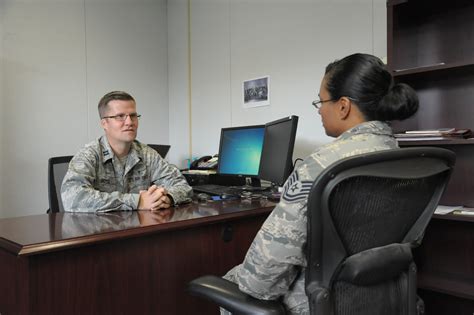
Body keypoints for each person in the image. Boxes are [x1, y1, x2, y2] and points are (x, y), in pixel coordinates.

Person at [221, 53, 419, 314]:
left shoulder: (321, 165)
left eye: (321, 100)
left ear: (344, 106)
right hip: (384, 297)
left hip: (319, 303)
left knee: (231, 285)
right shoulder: (409, 159)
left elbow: (262, 279)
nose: (319, 109)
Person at [61, 91, 192, 212]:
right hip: (99, 231)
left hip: (138, 229)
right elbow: (72, 197)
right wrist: (138, 201)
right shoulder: (89, 155)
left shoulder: (147, 154)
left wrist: (166, 198)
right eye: (120, 116)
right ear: (104, 123)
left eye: (133, 116)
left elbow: (182, 185)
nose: (129, 122)